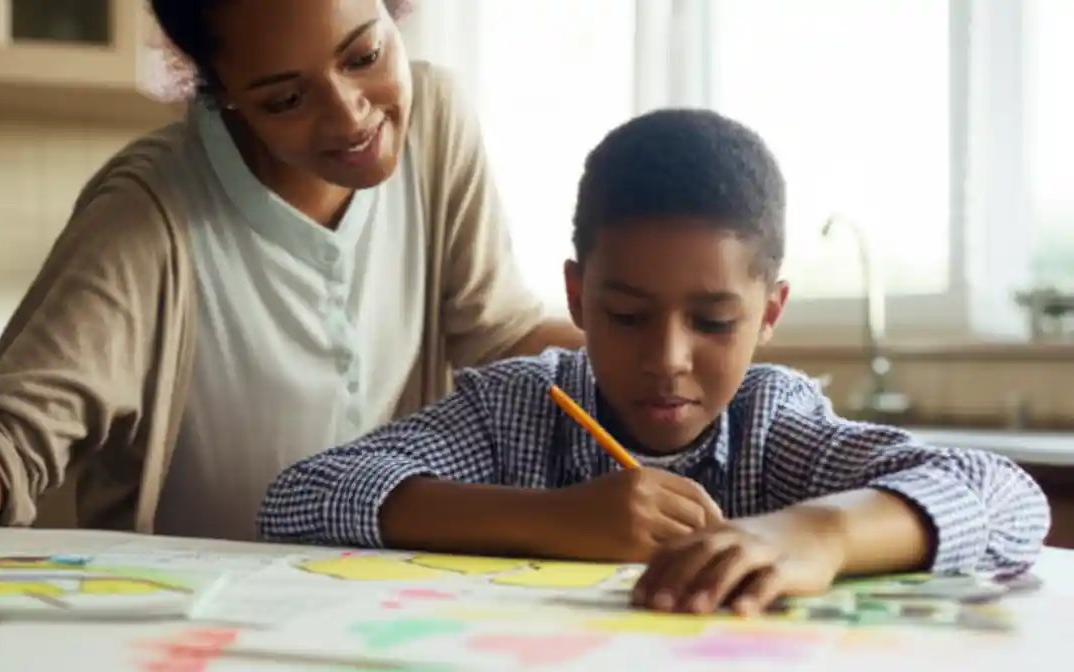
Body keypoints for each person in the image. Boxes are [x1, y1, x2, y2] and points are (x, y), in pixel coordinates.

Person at [0, 0, 582, 565]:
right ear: (217, 88)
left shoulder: (436, 119)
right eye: (285, 97)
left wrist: (672, 349)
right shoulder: (150, 213)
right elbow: (12, 435)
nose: (348, 116)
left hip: (383, 609)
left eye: (364, 56)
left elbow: (497, 332)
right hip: (195, 639)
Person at [258, 108, 1051, 614]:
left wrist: (818, 536)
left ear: (770, 313)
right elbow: (299, 498)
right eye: (627, 315)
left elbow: (1010, 499)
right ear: (577, 297)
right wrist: (559, 521)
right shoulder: (516, 408)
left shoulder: (775, 423)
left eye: (712, 321)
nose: (667, 359)